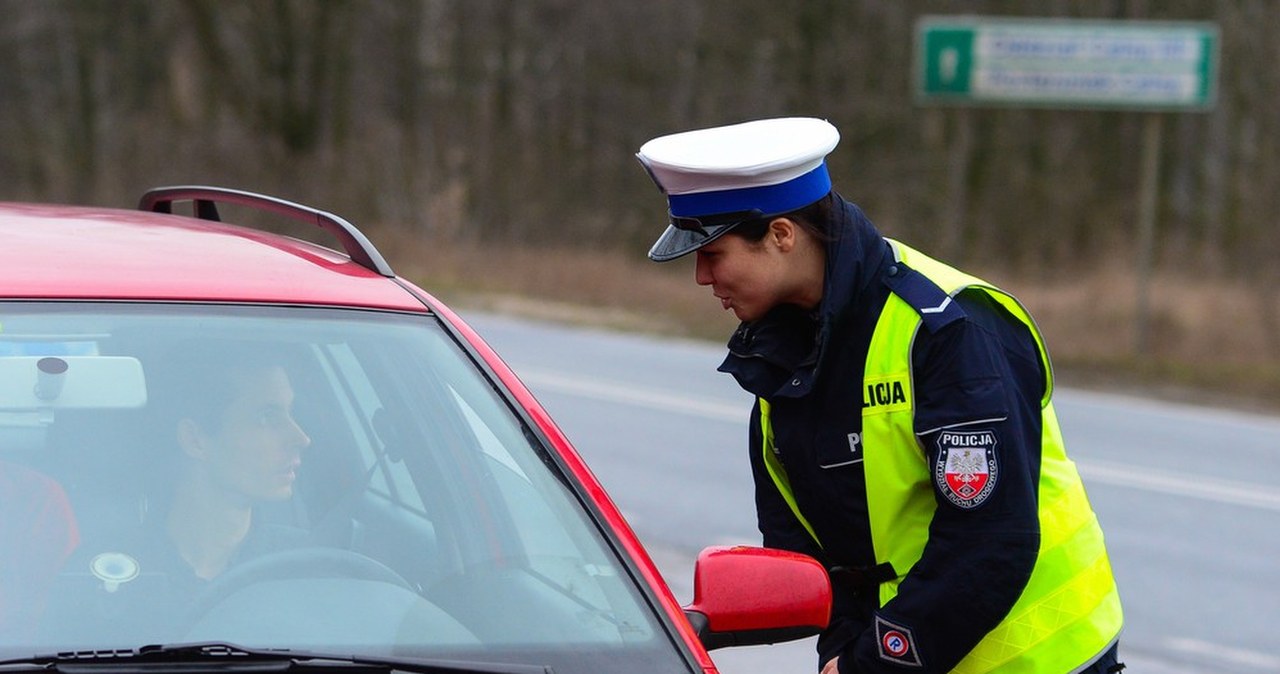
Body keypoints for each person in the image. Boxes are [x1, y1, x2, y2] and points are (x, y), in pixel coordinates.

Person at [636, 118, 1123, 673]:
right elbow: (805, 559)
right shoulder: (778, 355)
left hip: (1038, 660)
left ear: (781, 235)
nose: (701, 277)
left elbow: (991, 540)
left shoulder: (948, 331)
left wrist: (868, 664)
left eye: (713, 254)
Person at [45, 347, 312, 642]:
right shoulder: (96, 576)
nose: (301, 438)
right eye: (267, 417)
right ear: (195, 439)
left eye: (291, 413)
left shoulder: (307, 568)